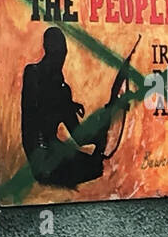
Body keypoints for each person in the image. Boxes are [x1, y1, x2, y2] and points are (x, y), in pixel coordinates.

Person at [20, 27, 110, 188]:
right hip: (40, 157)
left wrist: (100, 132)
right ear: (47, 50)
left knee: (96, 166)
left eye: (62, 54)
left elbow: (79, 136)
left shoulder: (62, 90)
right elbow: (33, 115)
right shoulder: (33, 74)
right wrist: (64, 104)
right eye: (57, 54)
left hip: (52, 151)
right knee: (92, 167)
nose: (60, 59)